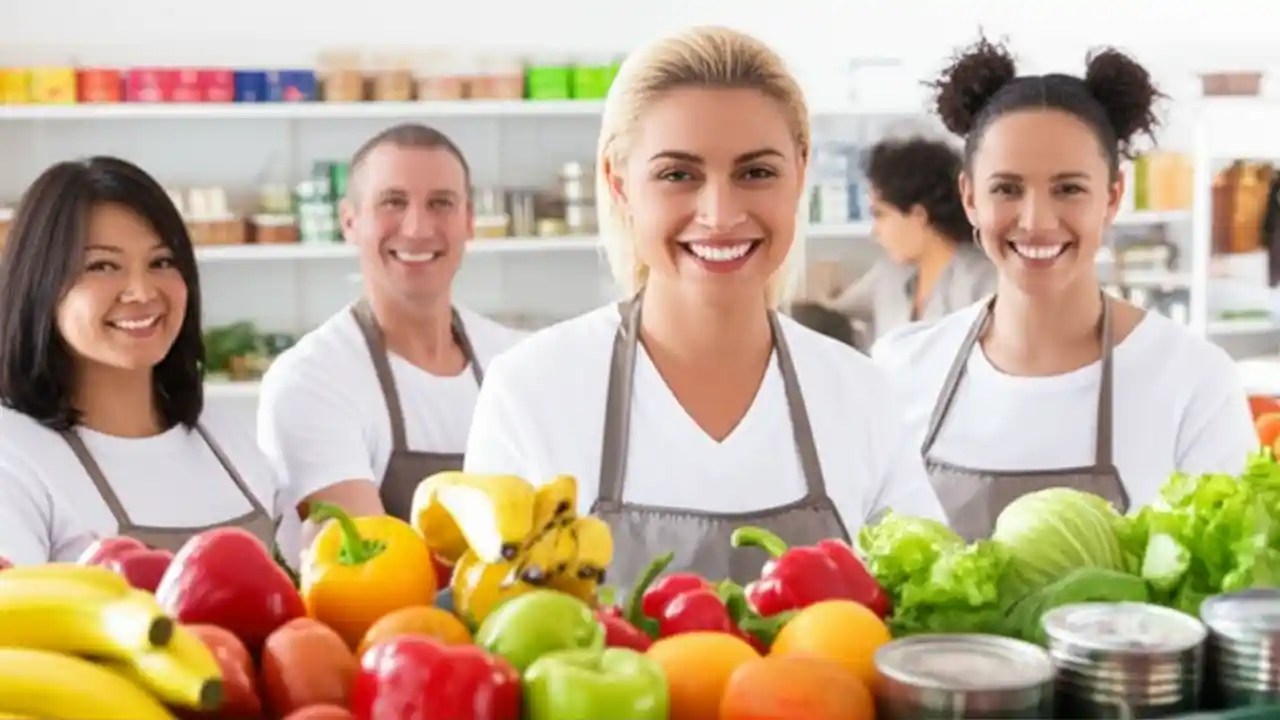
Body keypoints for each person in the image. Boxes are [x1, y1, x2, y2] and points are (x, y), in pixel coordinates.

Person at [463, 26, 945, 590]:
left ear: (800, 173)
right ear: (619, 186)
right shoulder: (532, 390)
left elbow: (926, 614)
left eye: (756, 172)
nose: (719, 213)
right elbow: (500, 631)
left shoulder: (860, 395)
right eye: (677, 175)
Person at [872, 37, 1256, 541]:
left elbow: (1233, 589)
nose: (1036, 221)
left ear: (1112, 197)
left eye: (1069, 189)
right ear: (969, 197)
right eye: (1006, 189)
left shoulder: (1194, 381)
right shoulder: (900, 370)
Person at [257, 123, 527, 563]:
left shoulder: (516, 362)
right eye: (392, 202)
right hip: (377, 631)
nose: (418, 228)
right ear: (349, 222)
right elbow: (371, 561)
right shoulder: (311, 379)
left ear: (469, 222)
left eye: (441, 203)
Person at [0, 157, 282, 565]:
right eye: (102, 266)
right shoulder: (13, 452)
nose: (141, 292)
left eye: (161, 262)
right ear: (40, 284)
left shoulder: (223, 436)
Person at [825, 137, 996, 343]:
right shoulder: (889, 276)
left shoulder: (983, 283)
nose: (874, 232)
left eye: (880, 215)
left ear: (918, 215)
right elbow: (828, 315)